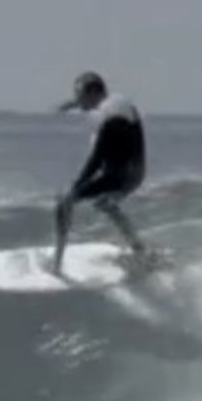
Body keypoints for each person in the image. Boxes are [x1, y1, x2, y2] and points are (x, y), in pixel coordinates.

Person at [51, 71, 149, 273]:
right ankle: (139, 249)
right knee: (105, 203)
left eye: (80, 96)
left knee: (64, 201)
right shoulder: (117, 102)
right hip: (134, 173)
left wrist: (76, 186)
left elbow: (98, 157)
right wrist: (73, 104)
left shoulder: (108, 116)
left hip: (120, 176)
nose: (79, 102)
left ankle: (56, 266)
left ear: (93, 93)